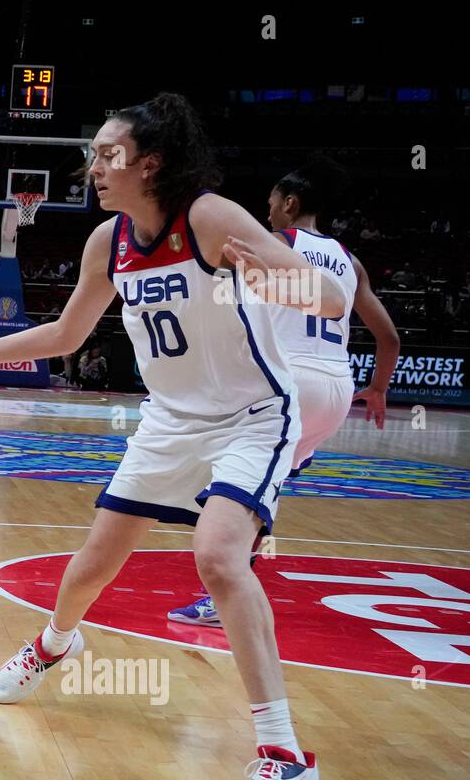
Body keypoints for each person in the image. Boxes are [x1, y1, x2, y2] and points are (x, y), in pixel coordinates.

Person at [0, 93, 348, 780]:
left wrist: (274, 278)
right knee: (92, 566)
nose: (92, 165)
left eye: (107, 153)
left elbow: (330, 300)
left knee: (221, 557)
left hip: (252, 416)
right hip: (169, 421)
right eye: (93, 153)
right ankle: (52, 644)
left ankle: (285, 758)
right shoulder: (108, 242)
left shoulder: (210, 217)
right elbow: (66, 336)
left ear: (150, 163)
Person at [167, 157, 402, 627]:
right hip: (336, 390)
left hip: (287, 382)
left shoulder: (276, 244)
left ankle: (225, 590)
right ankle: (230, 581)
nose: (267, 212)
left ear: (289, 204)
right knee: (264, 487)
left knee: (233, 483)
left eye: (271, 204)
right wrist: (377, 388)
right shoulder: (350, 261)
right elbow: (390, 338)